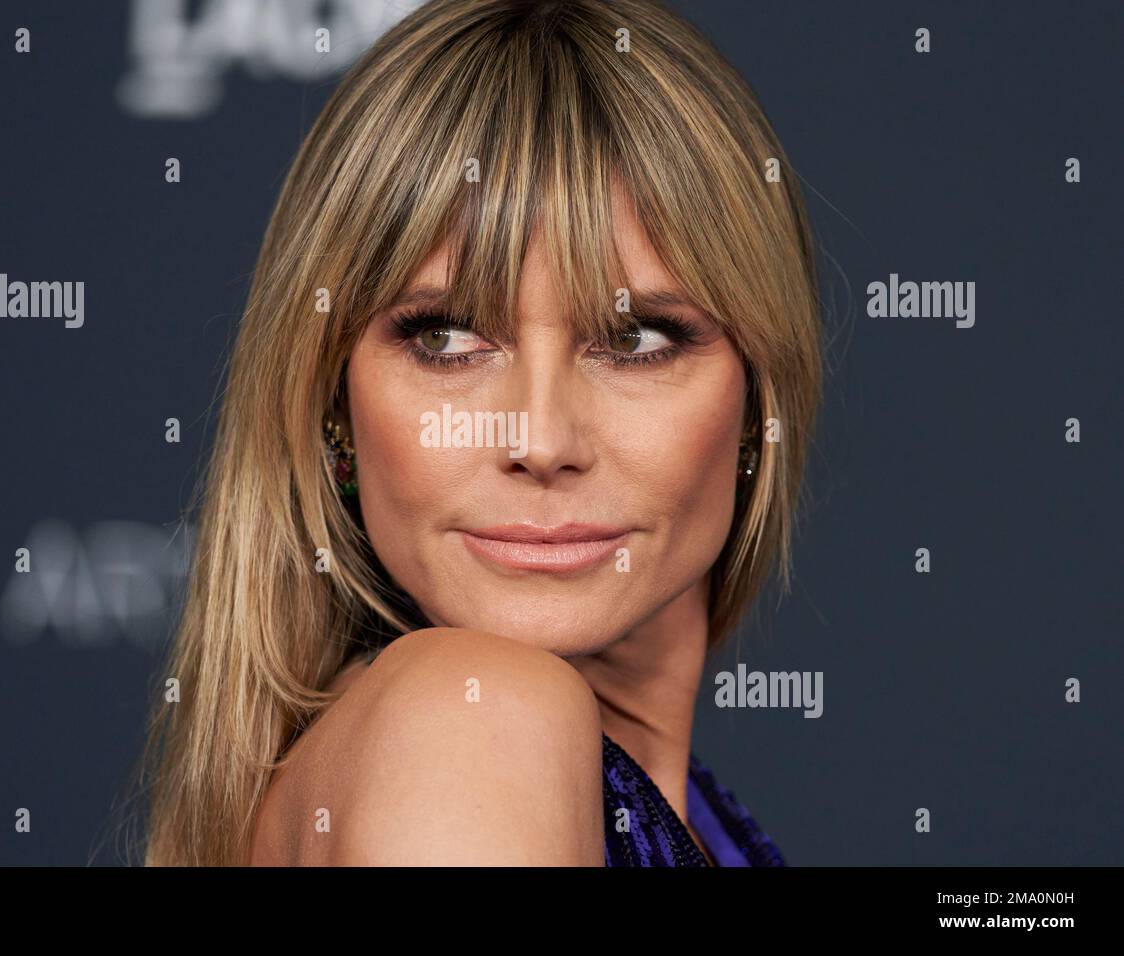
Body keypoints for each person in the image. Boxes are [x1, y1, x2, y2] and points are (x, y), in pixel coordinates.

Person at [137, 0, 822, 866]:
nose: (539, 438)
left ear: (760, 401)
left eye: (635, 340)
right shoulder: (468, 720)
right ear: (333, 411)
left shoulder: (696, 814)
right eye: (446, 339)